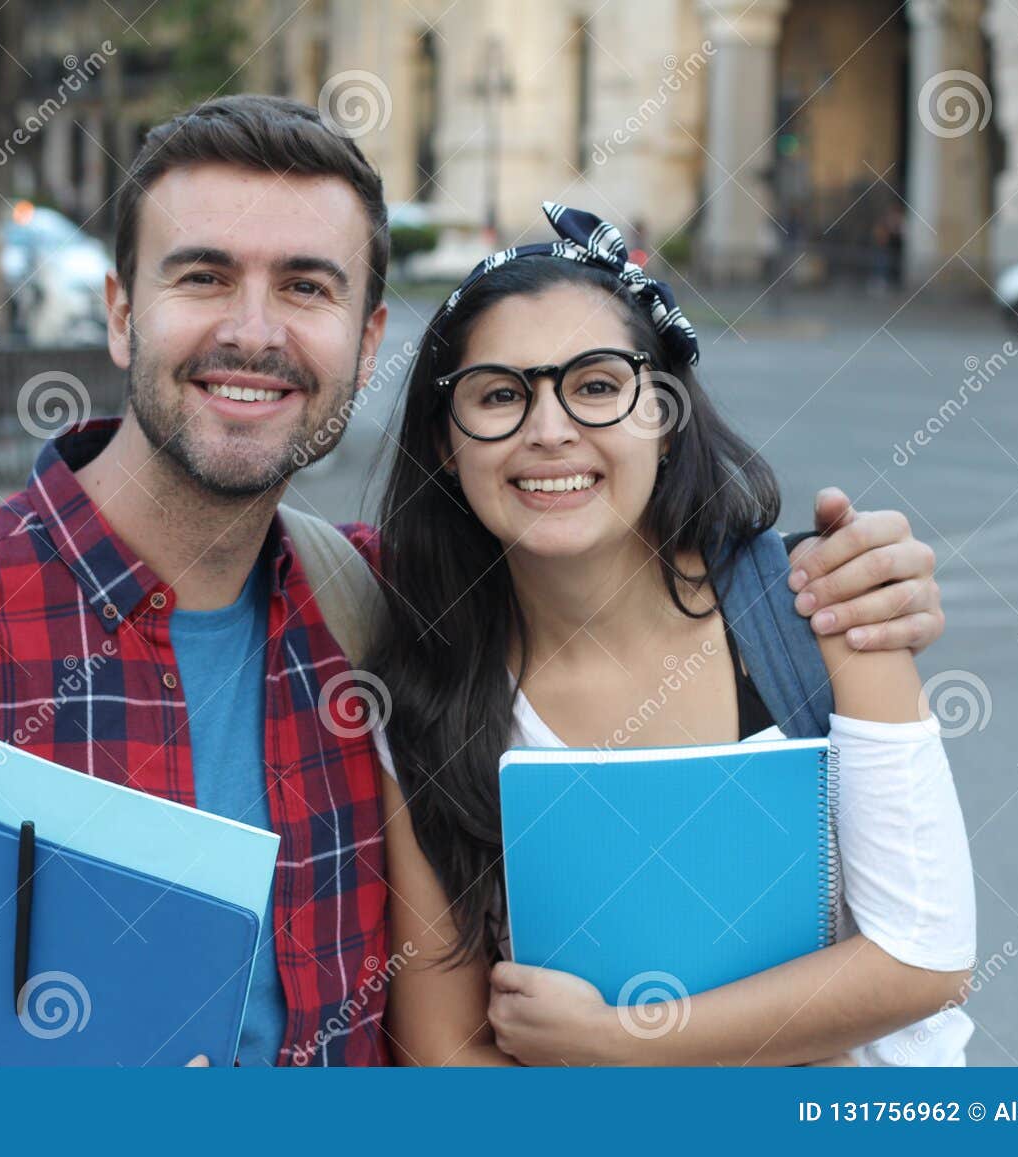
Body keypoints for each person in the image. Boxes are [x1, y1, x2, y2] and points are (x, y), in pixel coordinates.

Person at [0, 95, 943, 1069]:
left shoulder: (387, 609)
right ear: (120, 314)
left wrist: (828, 582)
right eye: (202, 277)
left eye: (306, 285)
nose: (254, 329)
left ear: (364, 339)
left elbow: (595, 532)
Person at [372, 205, 975, 1067]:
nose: (549, 430)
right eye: (501, 395)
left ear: (662, 410)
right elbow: (447, 1052)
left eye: (595, 385)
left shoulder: (823, 603)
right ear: (445, 442)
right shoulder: (426, 699)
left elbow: (925, 958)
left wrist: (627, 1042)